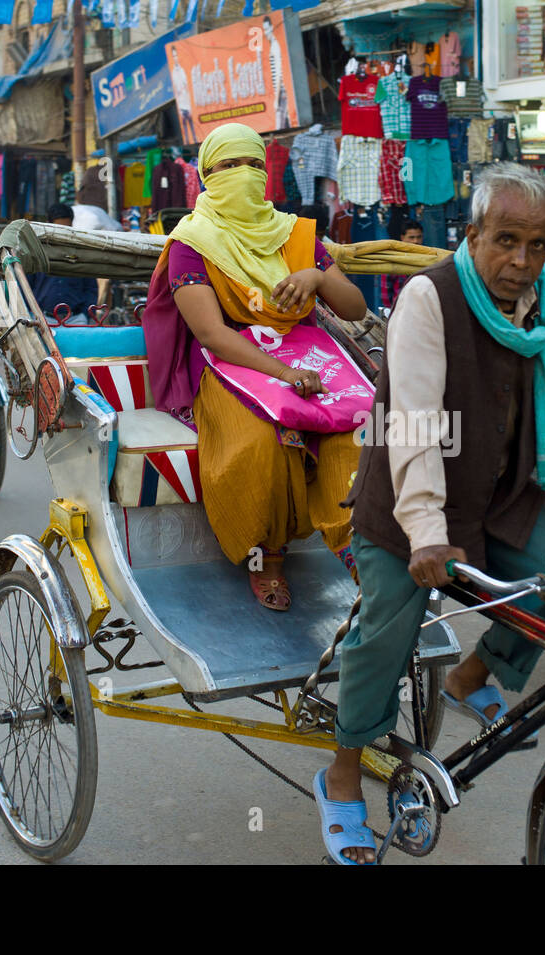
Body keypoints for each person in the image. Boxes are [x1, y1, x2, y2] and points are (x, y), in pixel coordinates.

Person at [317, 163, 545, 864]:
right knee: (385, 634)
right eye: (505, 240)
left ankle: (471, 676)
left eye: (536, 245)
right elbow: (413, 424)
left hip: (503, 495)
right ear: (472, 234)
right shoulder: (428, 300)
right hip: (409, 501)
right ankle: (343, 769)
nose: (520, 262)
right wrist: (428, 534)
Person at [141, 123, 368, 610]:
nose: (242, 174)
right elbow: (211, 334)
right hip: (229, 364)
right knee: (261, 439)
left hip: (306, 358)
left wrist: (316, 276)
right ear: (206, 176)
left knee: (354, 427)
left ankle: (355, 546)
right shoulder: (192, 242)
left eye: (252, 165)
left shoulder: (296, 235)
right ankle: (268, 555)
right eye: (228, 166)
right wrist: (283, 376)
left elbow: (354, 308)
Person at [27, 203, 98, 323]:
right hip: (44, 319)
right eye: (58, 228)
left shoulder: (80, 251)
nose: (62, 232)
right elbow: (26, 286)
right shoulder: (37, 251)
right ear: (49, 224)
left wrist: (85, 314)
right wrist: (31, 313)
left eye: (66, 228)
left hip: (76, 319)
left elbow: (91, 287)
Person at [378, 219, 423, 313]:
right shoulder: (394, 260)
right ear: (402, 238)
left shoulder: (428, 258)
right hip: (400, 312)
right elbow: (386, 296)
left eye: (419, 237)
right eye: (411, 237)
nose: (416, 241)